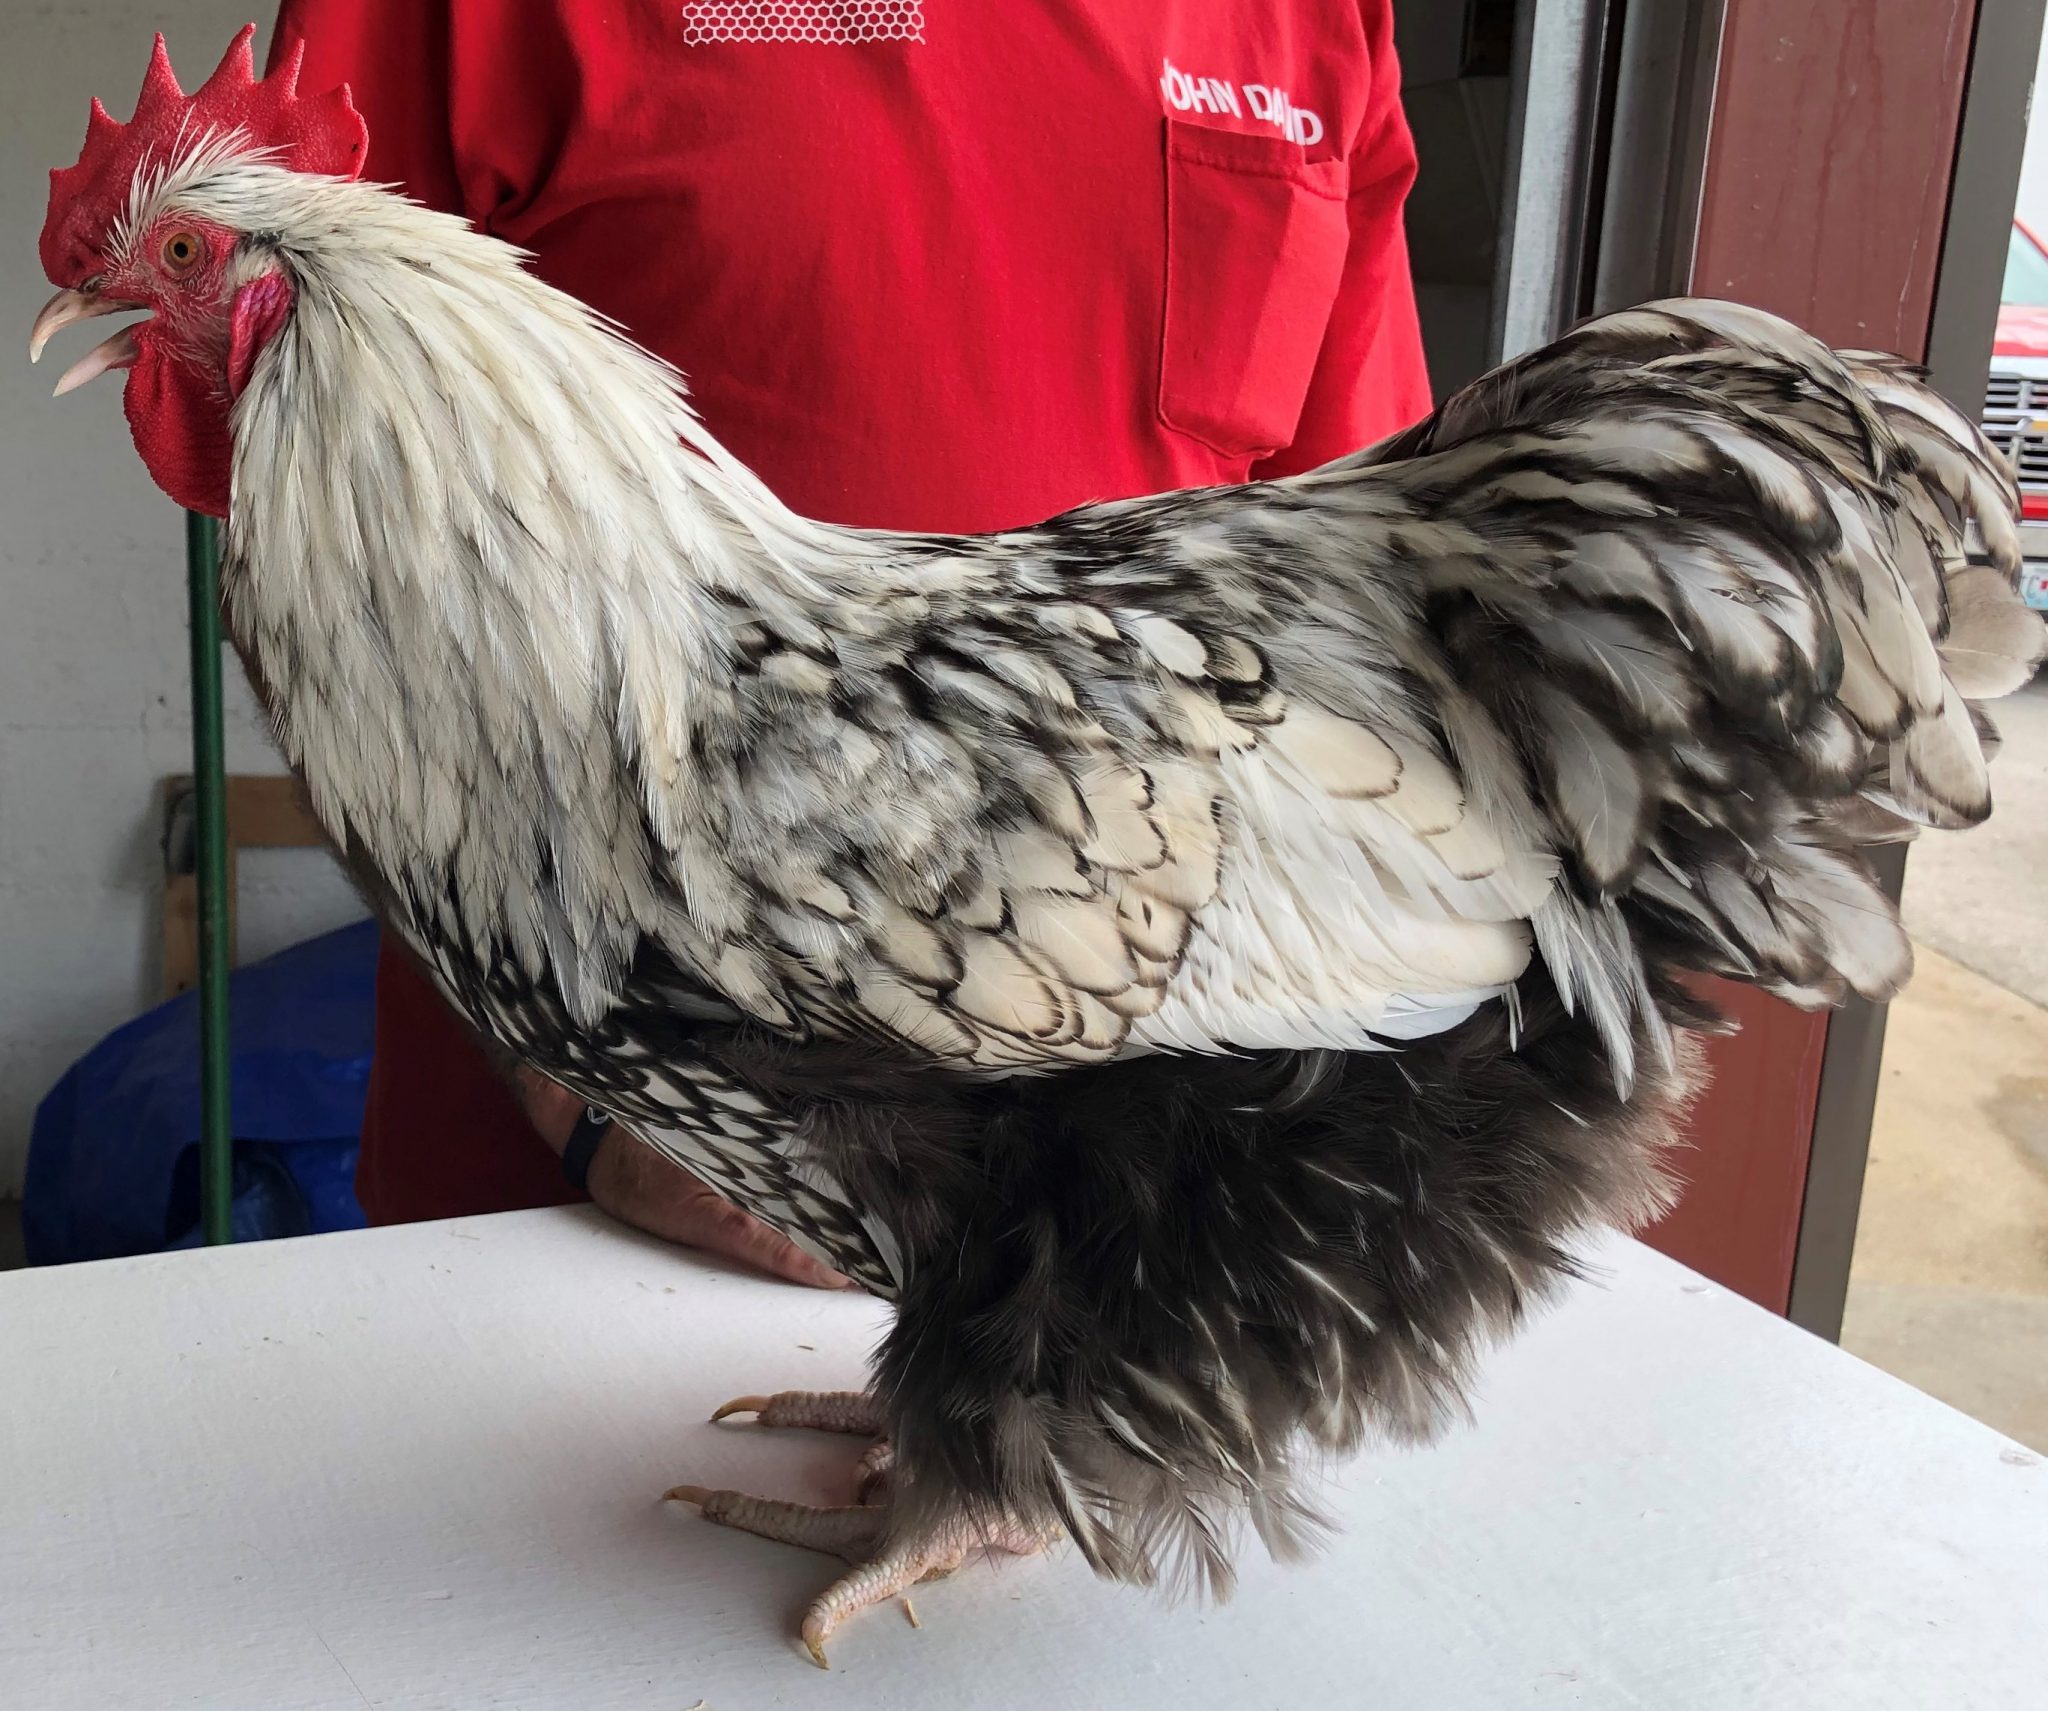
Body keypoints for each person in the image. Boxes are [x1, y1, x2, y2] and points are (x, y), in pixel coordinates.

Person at [272, 0, 1431, 1282]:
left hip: (1116, 1226)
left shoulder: (1307, 21)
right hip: (606, 1205)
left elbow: (1354, 624)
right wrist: (593, 1105)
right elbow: (327, 546)